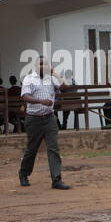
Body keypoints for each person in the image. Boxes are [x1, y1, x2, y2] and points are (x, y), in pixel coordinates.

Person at [17, 55, 69, 189]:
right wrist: (41, 101)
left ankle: (56, 179)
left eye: (45, 64)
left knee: (54, 149)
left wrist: (54, 72)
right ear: (35, 66)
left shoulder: (51, 79)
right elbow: (25, 96)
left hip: (49, 119)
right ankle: (24, 173)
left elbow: (65, 87)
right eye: (40, 64)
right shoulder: (29, 79)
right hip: (34, 119)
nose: (42, 66)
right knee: (32, 149)